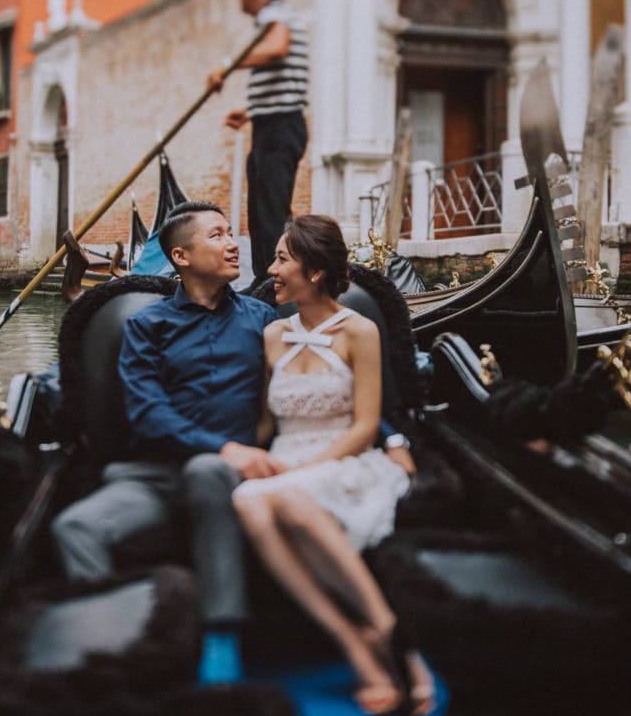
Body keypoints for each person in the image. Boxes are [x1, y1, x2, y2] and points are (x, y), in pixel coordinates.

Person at [50, 200, 415, 686]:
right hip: (157, 476)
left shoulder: (262, 321)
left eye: (230, 232)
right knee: (75, 527)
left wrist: (391, 435)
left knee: (208, 471)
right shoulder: (146, 327)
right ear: (181, 257)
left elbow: (325, 385)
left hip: (233, 474)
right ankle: (115, 651)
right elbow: (148, 413)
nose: (233, 244)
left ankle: (222, 640)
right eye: (218, 235)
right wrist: (224, 448)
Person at [232, 215, 435, 714]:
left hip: (345, 458)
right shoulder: (271, 334)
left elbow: (364, 426)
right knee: (248, 500)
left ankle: (387, 630)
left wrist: (302, 473)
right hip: (285, 460)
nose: (271, 270)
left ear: (315, 271)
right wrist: (225, 449)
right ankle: (359, 642)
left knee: (281, 497)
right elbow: (264, 423)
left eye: (282, 259)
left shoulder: (360, 331)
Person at [207, 0, 309, 287]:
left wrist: (227, 67)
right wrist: (251, 112)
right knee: (260, 211)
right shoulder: (276, 16)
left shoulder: (274, 14)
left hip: (280, 127)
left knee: (271, 212)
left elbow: (277, 48)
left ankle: (276, 281)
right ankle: (264, 279)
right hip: (271, 125)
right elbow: (281, 79)